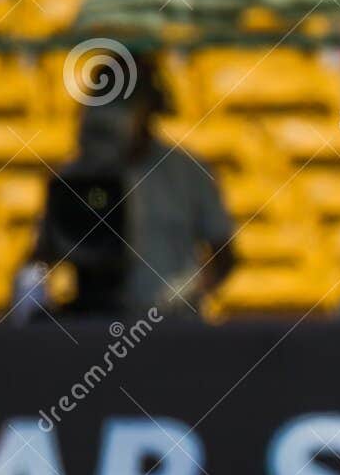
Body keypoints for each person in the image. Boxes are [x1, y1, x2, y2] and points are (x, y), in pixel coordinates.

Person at [26, 53, 234, 321]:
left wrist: (183, 292)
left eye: (127, 102)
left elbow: (224, 255)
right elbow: (42, 256)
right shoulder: (74, 177)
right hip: (95, 327)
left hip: (173, 328)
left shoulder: (188, 172)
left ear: (149, 106)